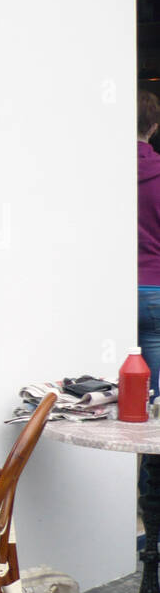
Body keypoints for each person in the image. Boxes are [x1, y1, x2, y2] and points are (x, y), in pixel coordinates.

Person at [139, 89, 160, 400]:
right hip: (155, 289)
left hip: (106, 291)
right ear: (154, 127)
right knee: (155, 393)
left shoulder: (100, 174)